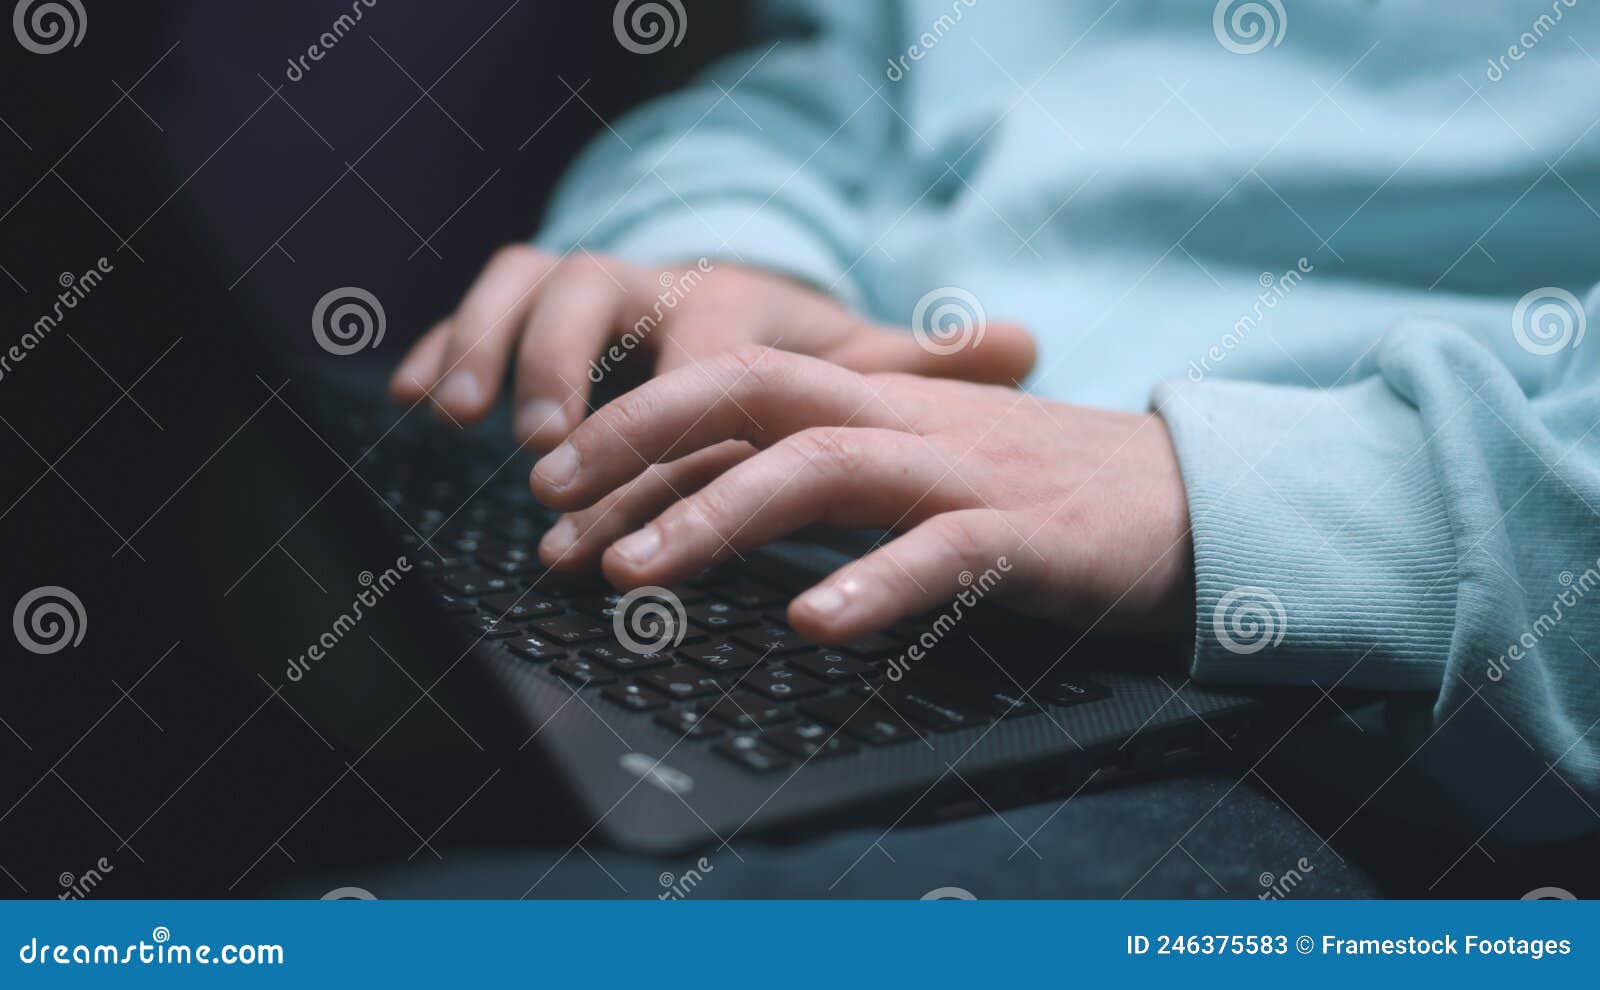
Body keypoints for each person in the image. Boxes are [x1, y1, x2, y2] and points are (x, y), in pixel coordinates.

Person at [389, 1, 1600, 839]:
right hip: (778, 534)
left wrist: (1268, 509)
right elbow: (806, 97)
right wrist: (732, 249)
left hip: (1319, 731)